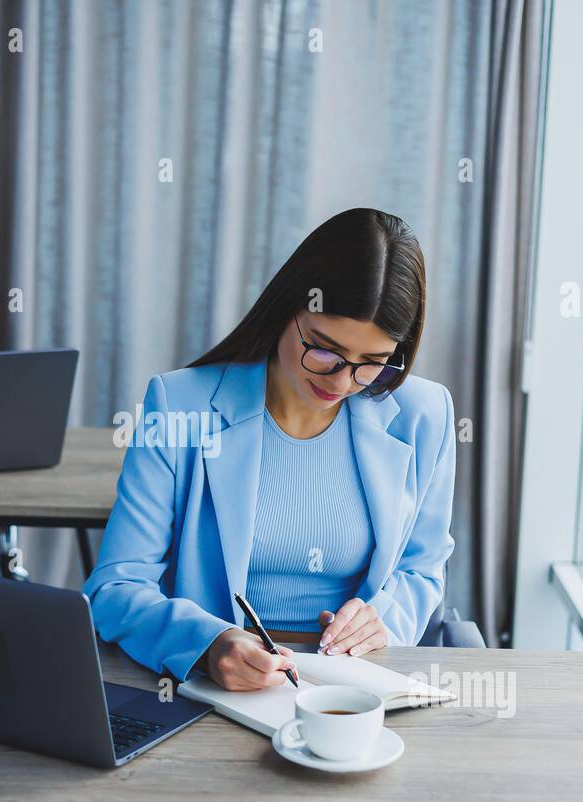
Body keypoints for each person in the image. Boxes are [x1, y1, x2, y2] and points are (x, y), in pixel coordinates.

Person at [83, 208, 456, 691]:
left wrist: (383, 620)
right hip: (220, 689)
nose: (343, 382)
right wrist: (208, 644)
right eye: (324, 350)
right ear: (288, 309)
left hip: (358, 687)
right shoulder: (180, 403)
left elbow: (421, 567)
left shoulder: (424, 413)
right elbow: (114, 587)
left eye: (373, 363)